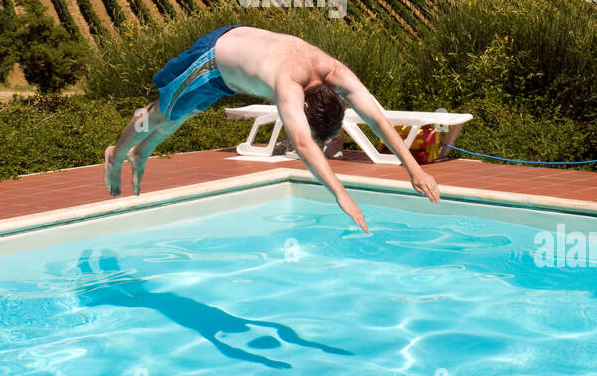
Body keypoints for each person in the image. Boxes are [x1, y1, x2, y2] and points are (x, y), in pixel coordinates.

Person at [104, 24, 440, 233]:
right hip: (211, 62)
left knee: (180, 116)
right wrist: (341, 194)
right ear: (305, 106)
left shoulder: (333, 72)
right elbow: (303, 143)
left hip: (231, 73)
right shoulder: (289, 84)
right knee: (160, 114)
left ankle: (141, 151)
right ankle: (117, 154)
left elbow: (377, 118)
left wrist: (413, 171)